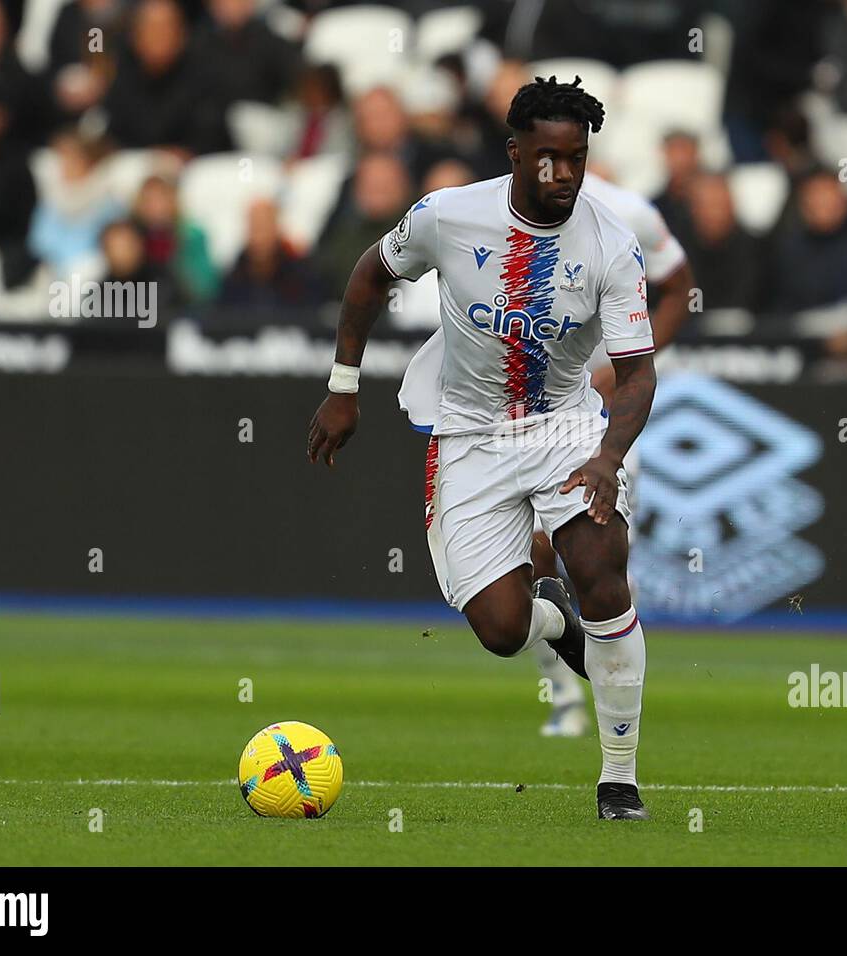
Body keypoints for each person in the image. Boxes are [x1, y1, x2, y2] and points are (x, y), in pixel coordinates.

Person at [306, 76, 657, 820]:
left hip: (566, 424)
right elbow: (371, 274)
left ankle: (618, 778)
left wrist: (606, 459)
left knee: (601, 567)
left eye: (577, 158)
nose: (562, 175)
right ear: (515, 152)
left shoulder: (612, 247)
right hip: (468, 430)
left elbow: (636, 374)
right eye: (547, 158)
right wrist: (343, 386)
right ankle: (551, 620)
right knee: (500, 630)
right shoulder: (446, 216)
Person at [397, 164, 694, 738]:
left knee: (600, 562)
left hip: (589, 415)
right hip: (489, 427)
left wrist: (620, 362)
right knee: (531, 566)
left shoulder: (627, 216)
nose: (561, 168)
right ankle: (562, 687)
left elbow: (680, 284)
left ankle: (613, 724)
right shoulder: (482, 214)